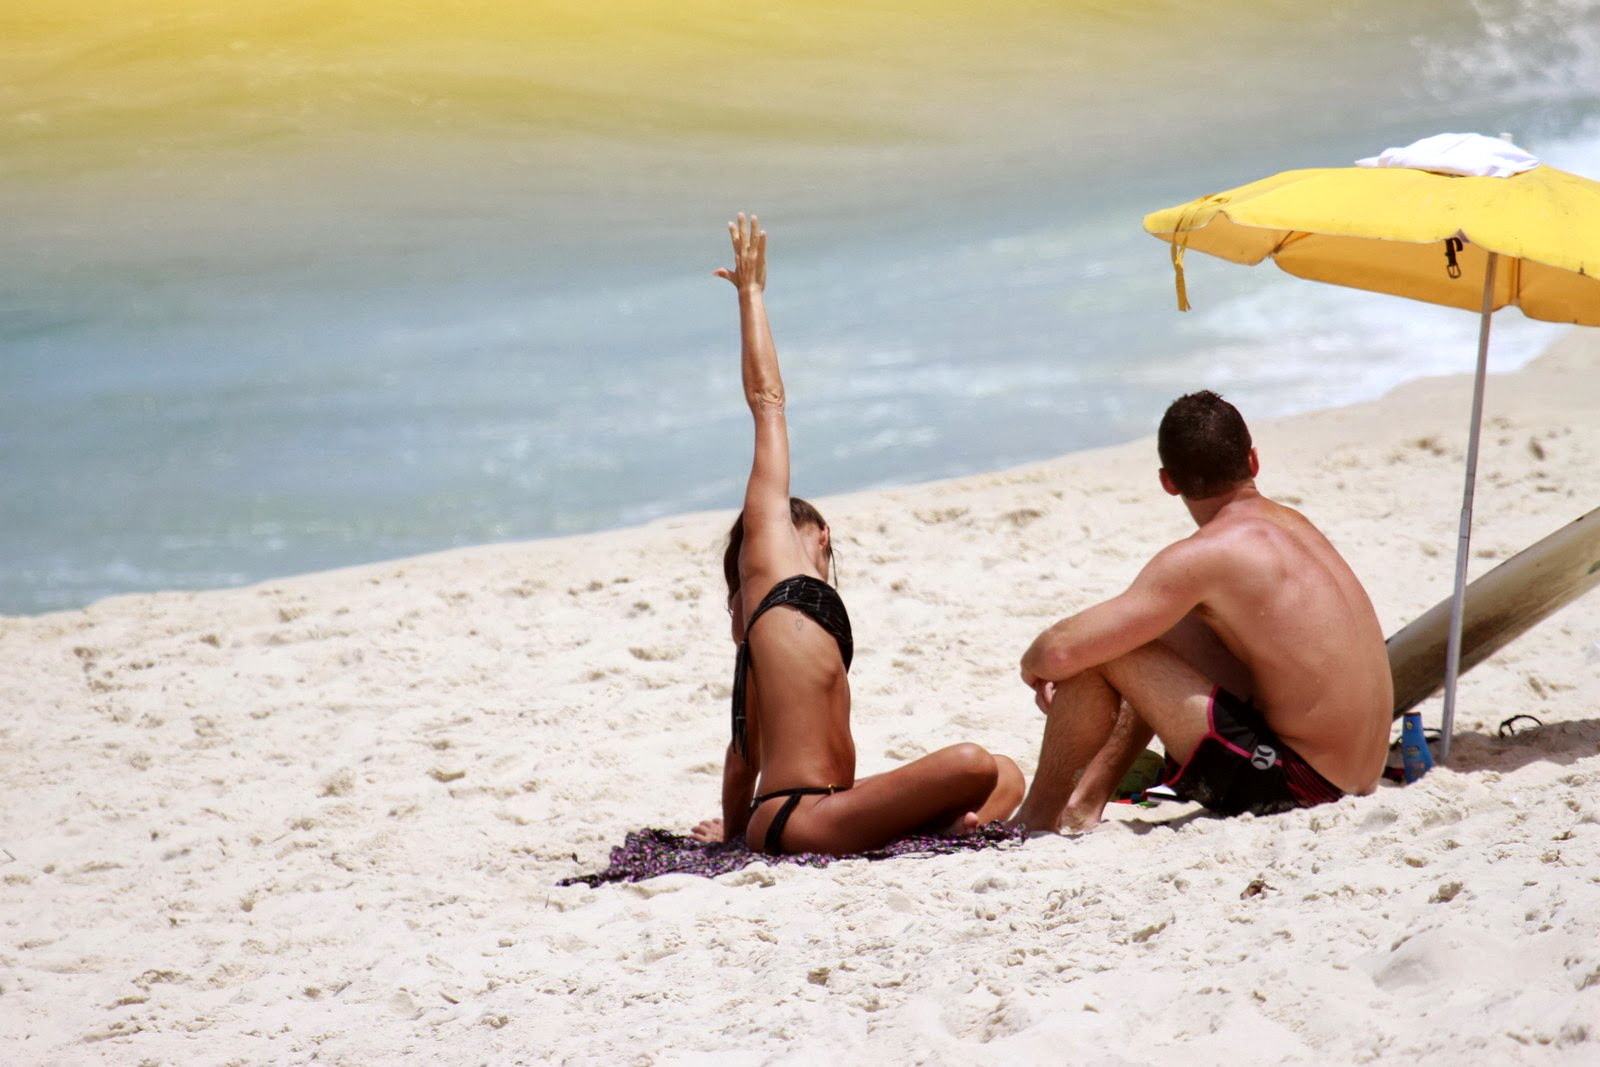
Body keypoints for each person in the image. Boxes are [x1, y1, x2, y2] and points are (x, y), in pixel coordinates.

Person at [690, 214, 1023, 855]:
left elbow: (744, 751)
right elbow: (768, 404)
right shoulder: (770, 559)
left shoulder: (776, 635)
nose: (822, 536)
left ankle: (944, 828)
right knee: (972, 762)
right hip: (799, 816)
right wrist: (752, 296)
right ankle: (942, 828)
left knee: (1006, 771)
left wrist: (731, 829)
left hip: (825, 808)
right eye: (812, 526)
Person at [1012, 390, 1392, 831]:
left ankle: (1033, 820)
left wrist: (1031, 670)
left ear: (1168, 482)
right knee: (1150, 628)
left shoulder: (1206, 554)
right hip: (1361, 776)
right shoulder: (1293, 525)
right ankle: (1083, 802)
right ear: (1252, 461)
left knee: (1114, 646)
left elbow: (1060, 651)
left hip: (1301, 786)